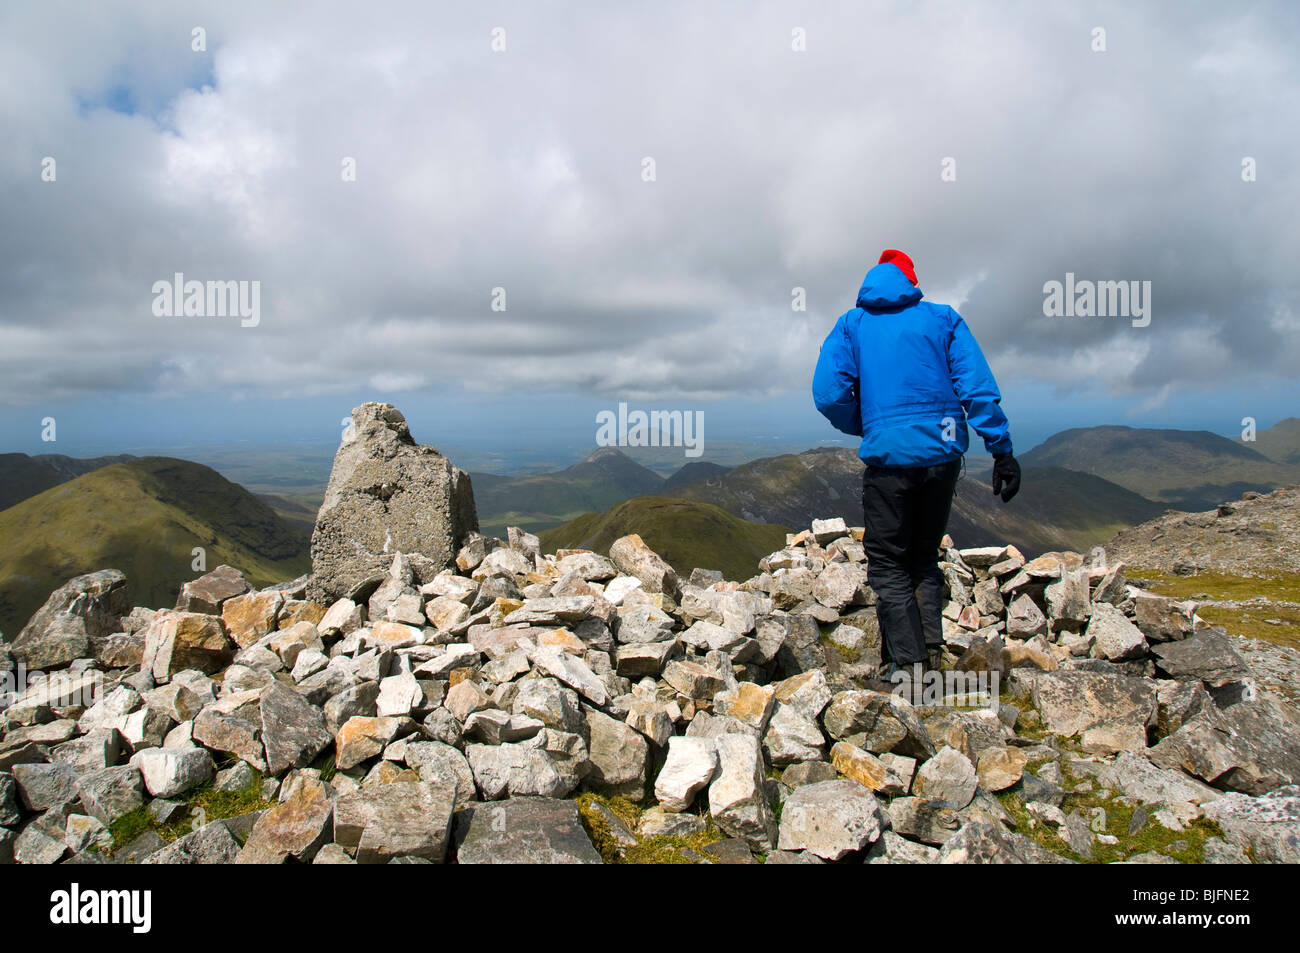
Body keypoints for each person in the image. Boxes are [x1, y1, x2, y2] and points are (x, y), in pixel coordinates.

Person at [812, 249, 1020, 695]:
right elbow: (977, 388)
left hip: (889, 464)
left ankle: (909, 672)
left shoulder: (853, 324)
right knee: (923, 557)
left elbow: (828, 394)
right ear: (911, 280)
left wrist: (868, 424)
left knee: (888, 563)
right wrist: (1001, 451)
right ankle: (928, 655)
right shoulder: (943, 319)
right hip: (942, 459)